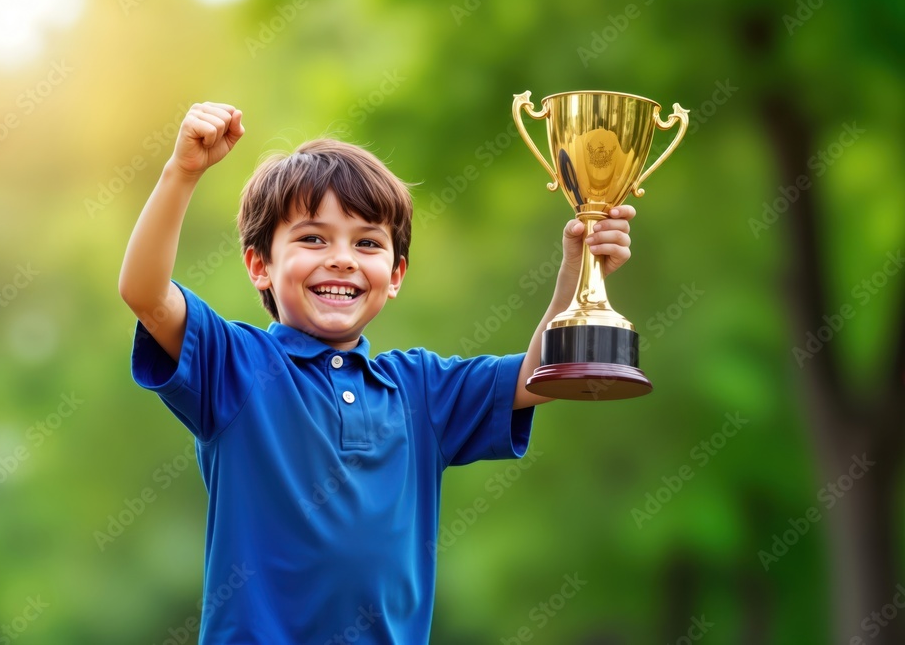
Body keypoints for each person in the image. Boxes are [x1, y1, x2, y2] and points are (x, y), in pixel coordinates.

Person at [119, 102, 635, 644]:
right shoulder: (236, 365)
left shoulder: (421, 389)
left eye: (367, 243)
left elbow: (541, 375)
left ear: (395, 274)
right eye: (313, 238)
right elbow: (144, 293)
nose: (342, 259)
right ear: (260, 266)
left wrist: (581, 273)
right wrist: (182, 172)